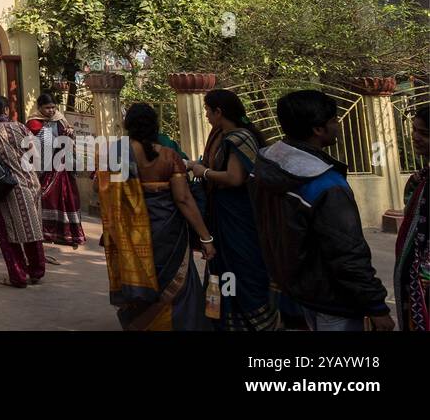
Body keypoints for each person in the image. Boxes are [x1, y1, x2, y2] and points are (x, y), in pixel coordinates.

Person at [251, 89, 393, 331]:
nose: (338, 126)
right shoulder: (326, 184)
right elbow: (347, 251)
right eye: (334, 121)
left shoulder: (265, 165)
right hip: (331, 300)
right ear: (318, 129)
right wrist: (376, 305)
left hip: (292, 290)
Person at [98, 103, 213, 330]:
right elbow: (183, 199)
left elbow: (99, 188)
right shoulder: (169, 157)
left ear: (127, 125)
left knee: (138, 279)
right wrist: (206, 238)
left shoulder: (117, 154)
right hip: (167, 232)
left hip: (130, 232)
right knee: (175, 281)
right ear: (155, 126)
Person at [185, 89, 278, 331]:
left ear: (219, 112)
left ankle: (253, 320)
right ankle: (226, 318)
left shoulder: (239, 138)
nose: (205, 114)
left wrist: (202, 172)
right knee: (224, 266)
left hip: (238, 215)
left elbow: (235, 177)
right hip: (223, 214)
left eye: (208, 110)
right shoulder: (222, 135)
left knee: (242, 266)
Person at [0, 96, 46, 288]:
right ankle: (37, 271)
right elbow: (34, 154)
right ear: (6, 109)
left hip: (6, 186)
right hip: (30, 182)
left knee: (7, 232)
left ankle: (18, 275)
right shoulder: (21, 127)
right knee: (31, 228)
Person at [26, 93, 85, 248]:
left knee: (67, 196)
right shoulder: (33, 122)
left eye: (53, 107)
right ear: (39, 108)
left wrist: (70, 133)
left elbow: (68, 135)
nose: (51, 111)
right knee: (47, 196)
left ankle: (67, 233)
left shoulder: (59, 118)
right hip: (45, 166)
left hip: (62, 164)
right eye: (47, 108)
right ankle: (46, 231)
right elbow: (32, 143)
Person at [394, 107, 428, 331]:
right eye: (414, 130)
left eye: (424, 133)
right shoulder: (419, 181)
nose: (415, 137)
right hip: (417, 290)